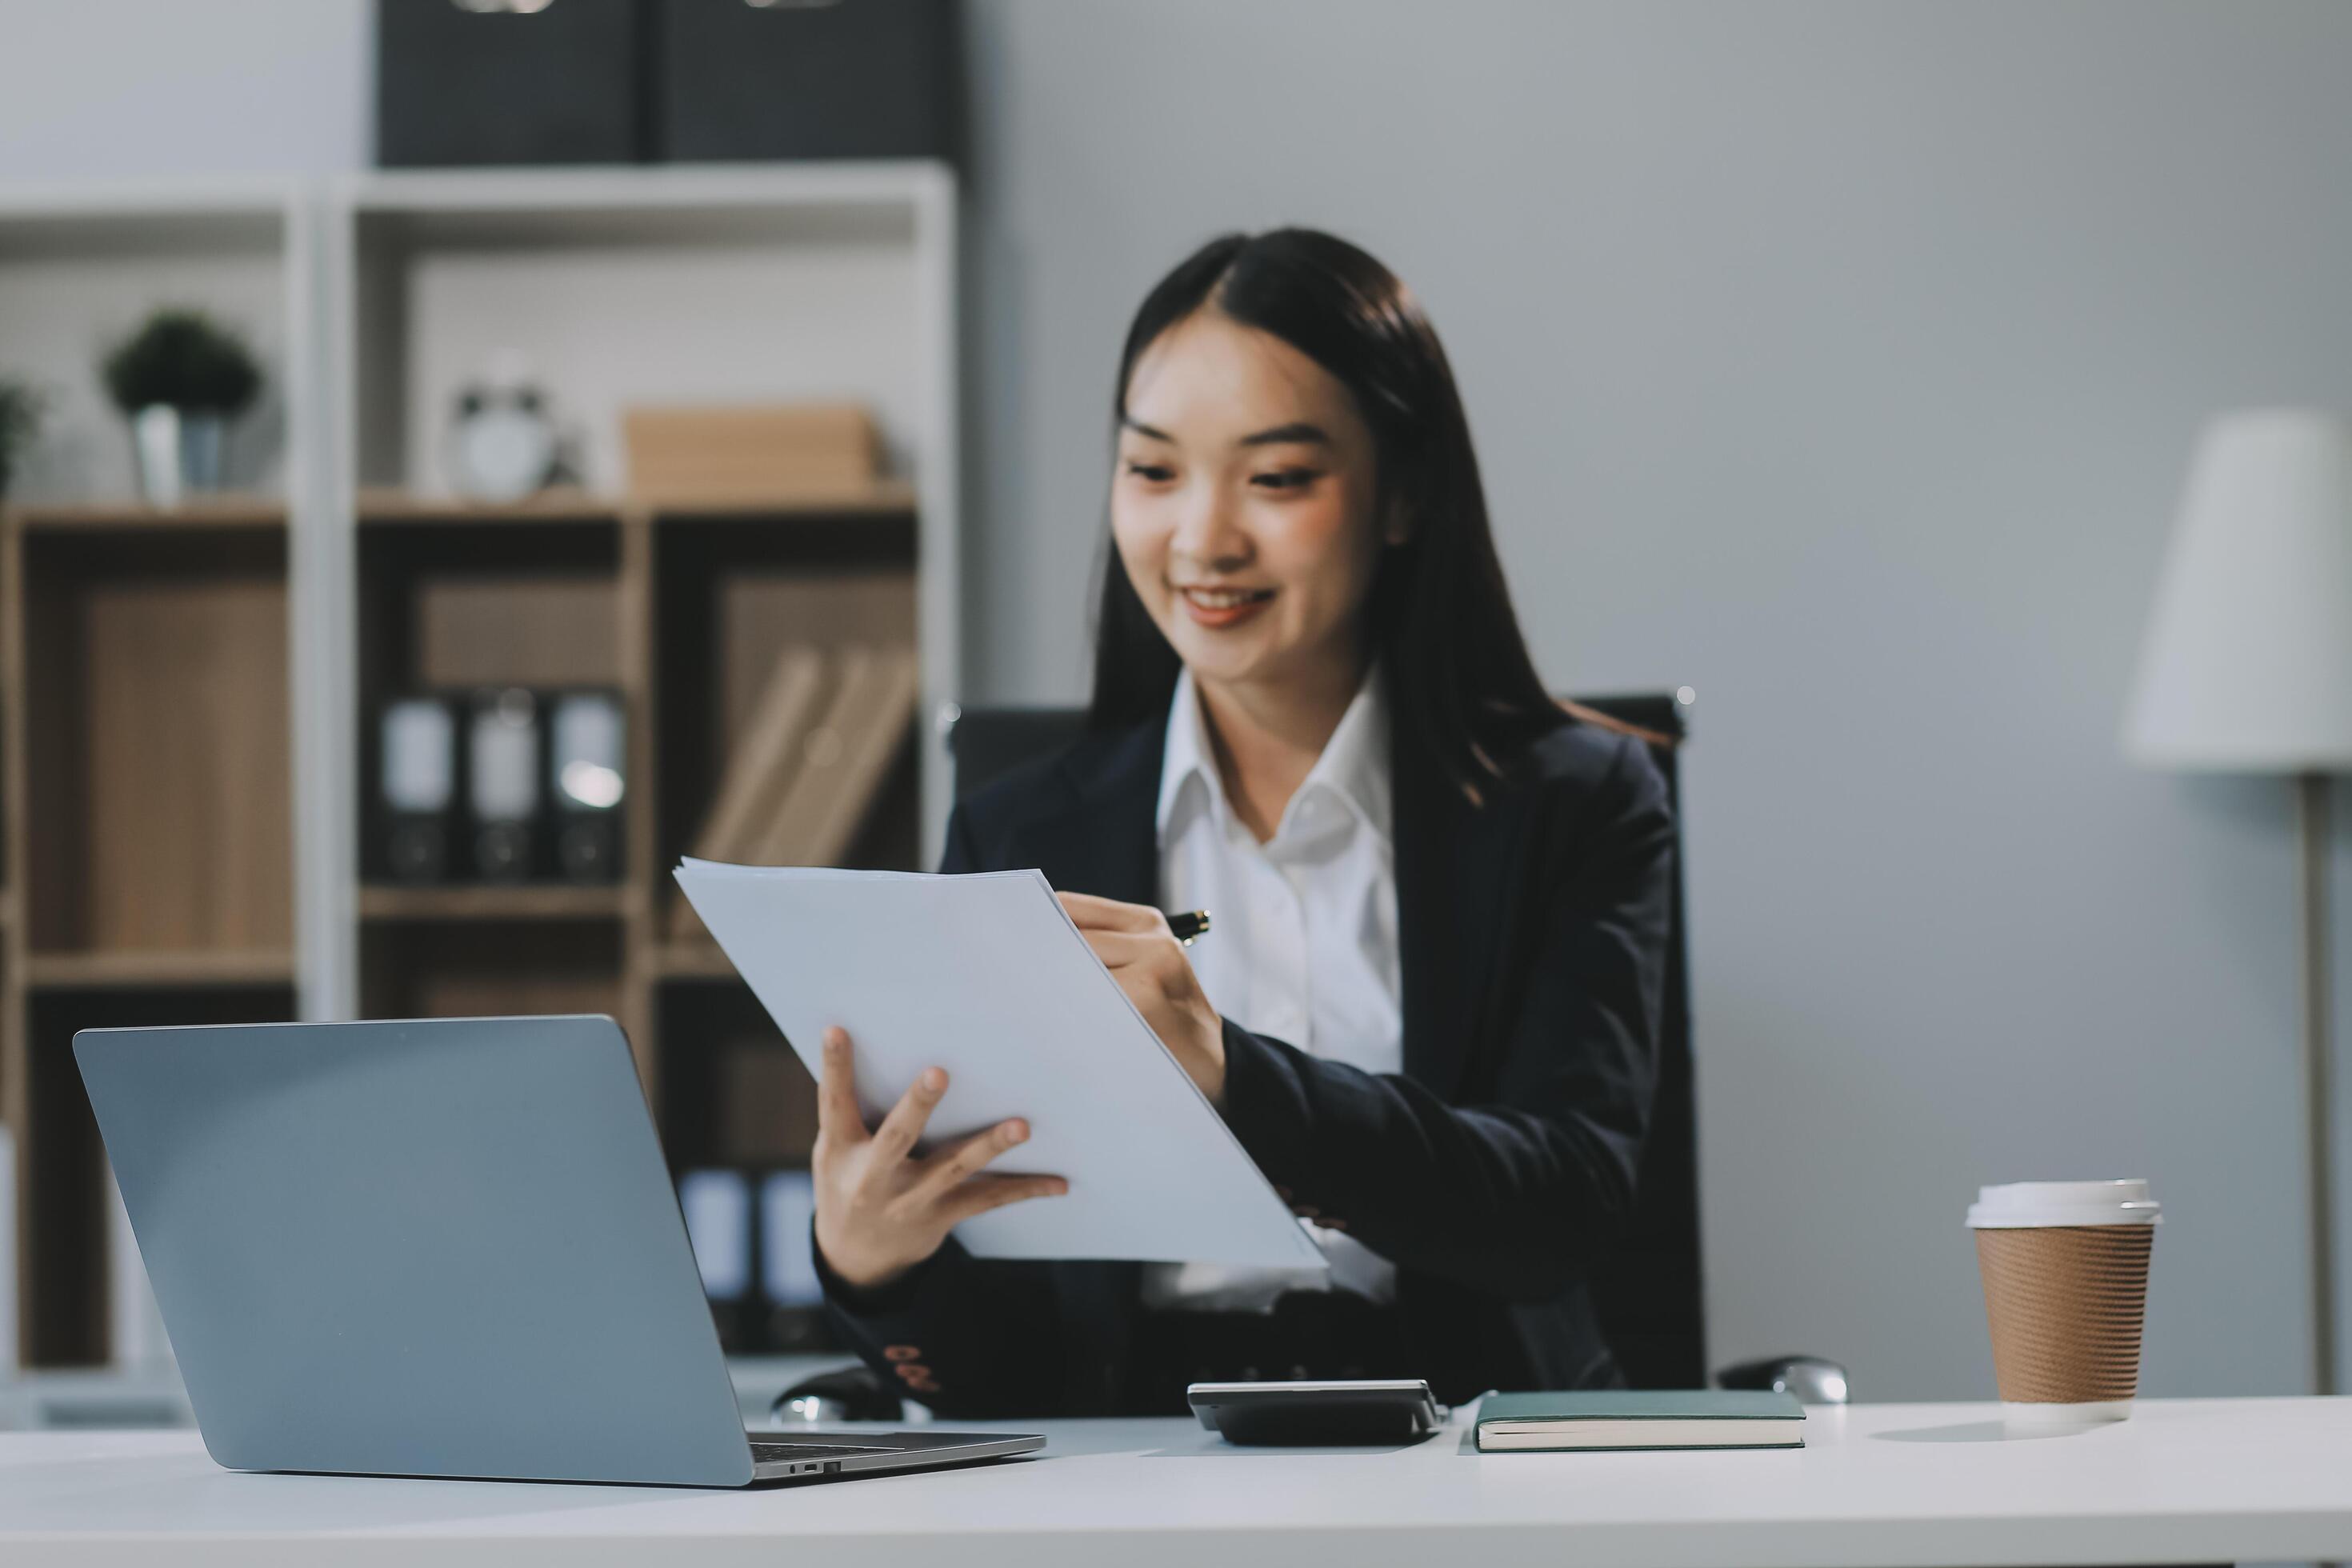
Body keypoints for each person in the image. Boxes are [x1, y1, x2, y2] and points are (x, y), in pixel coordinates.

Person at [809, 229, 1674, 1417]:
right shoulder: (1016, 833)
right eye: (1154, 472)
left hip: (1468, 1450)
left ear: (1405, 493)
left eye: (1276, 479)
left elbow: (1563, 1205)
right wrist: (875, 1260)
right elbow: (999, 1371)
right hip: (1132, 1471)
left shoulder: (1576, 803)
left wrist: (1236, 1083)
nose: (1204, 539)